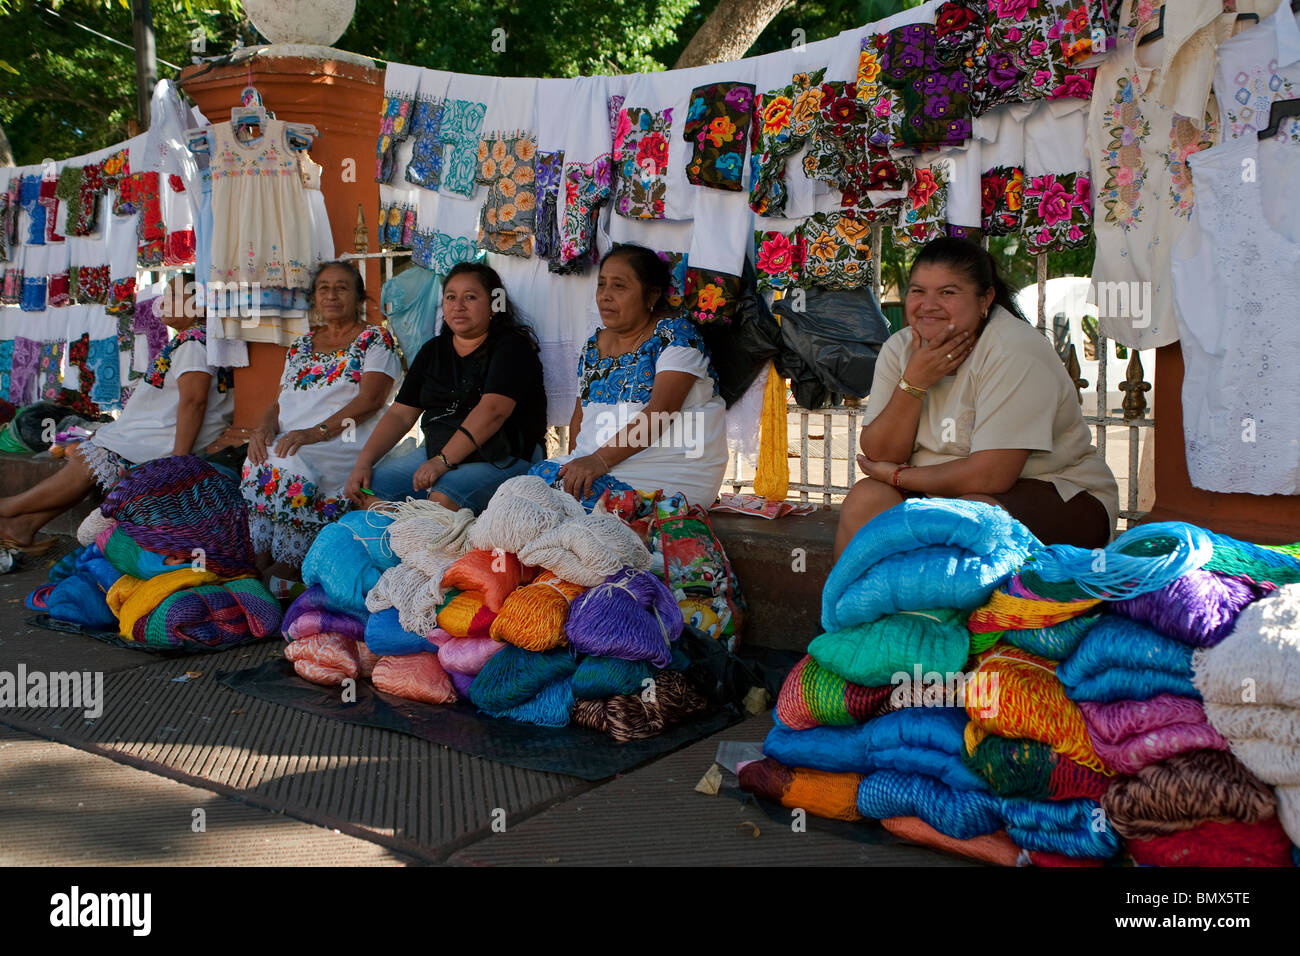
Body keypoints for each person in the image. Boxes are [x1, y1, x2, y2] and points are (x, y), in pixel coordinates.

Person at [836, 237, 1119, 559]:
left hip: (1053, 491)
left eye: (948, 292)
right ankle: (852, 609)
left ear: (986, 299)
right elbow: (880, 451)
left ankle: (934, 609)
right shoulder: (899, 347)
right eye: (918, 291)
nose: (928, 304)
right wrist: (914, 382)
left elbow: (991, 475)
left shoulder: (1014, 349)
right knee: (866, 500)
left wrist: (899, 476)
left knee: (963, 519)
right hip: (940, 493)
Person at [0, 275, 234, 554]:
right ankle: (20, 528)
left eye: (173, 297)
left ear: (198, 305)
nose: (163, 303)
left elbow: (194, 402)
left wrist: (177, 462)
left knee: (89, 460)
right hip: (152, 437)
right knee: (91, 458)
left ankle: (7, 508)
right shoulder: (197, 340)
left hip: (162, 443)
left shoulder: (194, 341)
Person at [529, 244, 728, 508]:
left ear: (652, 295)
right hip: (603, 467)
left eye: (619, 286)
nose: (605, 296)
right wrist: (577, 464)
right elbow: (580, 416)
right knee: (523, 489)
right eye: (601, 285)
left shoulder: (675, 336)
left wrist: (597, 462)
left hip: (667, 472)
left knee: (556, 506)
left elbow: (662, 411)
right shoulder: (593, 344)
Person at [344, 261, 547, 512]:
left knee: (442, 499)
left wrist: (442, 462)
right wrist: (364, 463)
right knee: (366, 492)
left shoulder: (512, 348)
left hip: (504, 455)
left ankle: (416, 532)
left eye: (470, 297)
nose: (458, 306)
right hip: (437, 451)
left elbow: (493, 411)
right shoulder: (433, 350)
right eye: (451, 297)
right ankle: (404, 537)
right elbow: (400, 413)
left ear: (495, 303)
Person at [240, 260, 400, 575]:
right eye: (324, 288)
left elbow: (371, 399)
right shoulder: (300, 346)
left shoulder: (374, 339)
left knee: (293, 461)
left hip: (347, 439)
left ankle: (290, 562)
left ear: (358, 298)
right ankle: (258, 561)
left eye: (342, 288)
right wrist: (261, 429)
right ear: (314, 298)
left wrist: (315, 432)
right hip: (296, 438)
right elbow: (281, 402)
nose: (332, 295)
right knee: (256, 460)